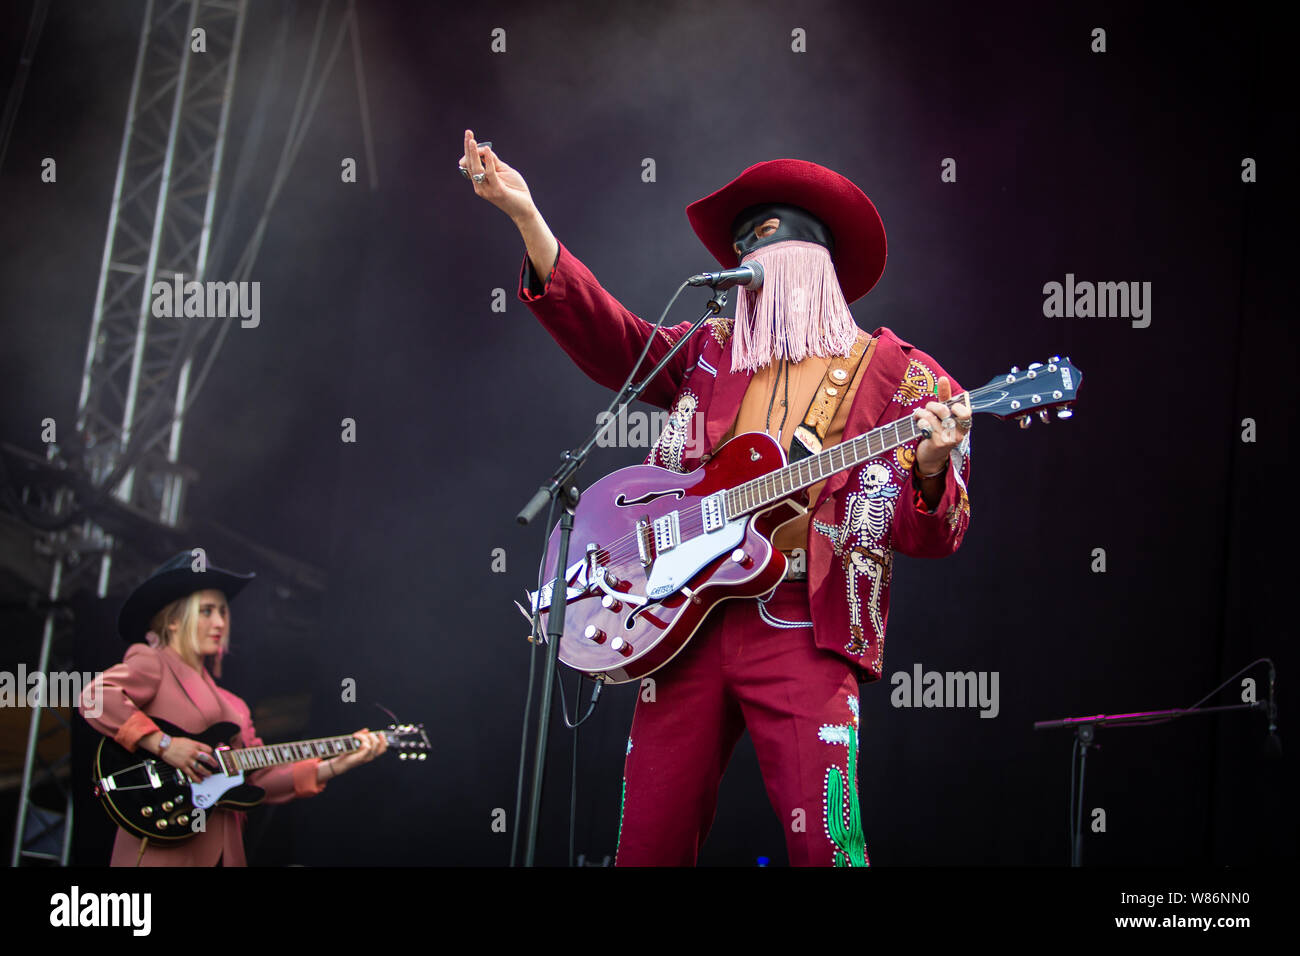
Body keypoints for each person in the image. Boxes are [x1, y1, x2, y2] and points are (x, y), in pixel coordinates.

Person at [460, 130, 972, 866]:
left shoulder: (904, 376)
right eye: (739, 266)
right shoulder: (707, 352)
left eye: (759, 262)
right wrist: (527, 217)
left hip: (803, 619)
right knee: (648, 845)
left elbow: (936, 535)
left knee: (829, 844)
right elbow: (616, 341)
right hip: (684, 618)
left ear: (810, 271)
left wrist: (930, 463)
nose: (743, 277)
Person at [79, 551, 388, 866]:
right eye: (207, 611)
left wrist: (336, 765)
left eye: (224, 612)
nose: (219, 622)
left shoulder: (235, 706)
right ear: (173, 620)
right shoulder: (154, 662)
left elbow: (260, 781)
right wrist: (165, 744)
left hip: (225, 853)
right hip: (165, 846)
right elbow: (95, 698)